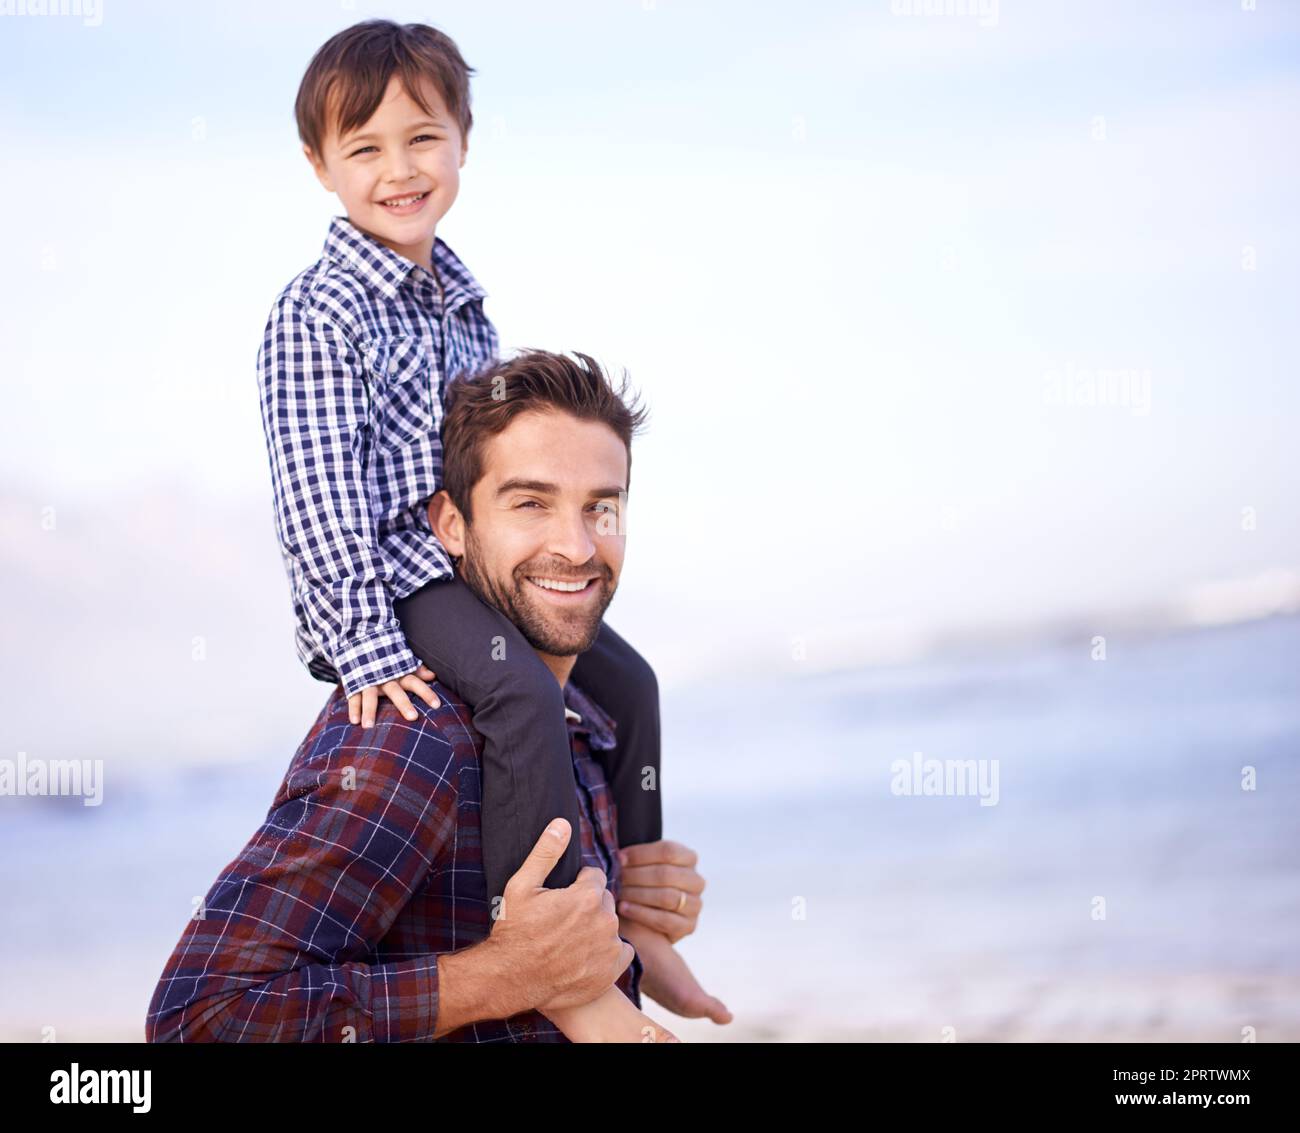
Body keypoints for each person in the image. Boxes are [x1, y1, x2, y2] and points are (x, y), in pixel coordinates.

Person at [147, 350, 730, 1041]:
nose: (576, 546)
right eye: (530, 503)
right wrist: (505, 974)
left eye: (600, 507)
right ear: (451, 525)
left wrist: (634, 911)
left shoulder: (587, 722)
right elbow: (200, 1018)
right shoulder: (415, 736)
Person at [255, 21, 662, 946]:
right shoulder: (319, 312)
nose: (399, 169)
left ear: (463, 145)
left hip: (469, 561)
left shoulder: (464, 299)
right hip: (399, 582)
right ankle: (548, 941)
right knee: (518, 694)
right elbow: (314, 495)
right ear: (321, 165)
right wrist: (363, 642)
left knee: (631, 683)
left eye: (423, 138)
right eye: (365, 149)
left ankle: (640, 908)